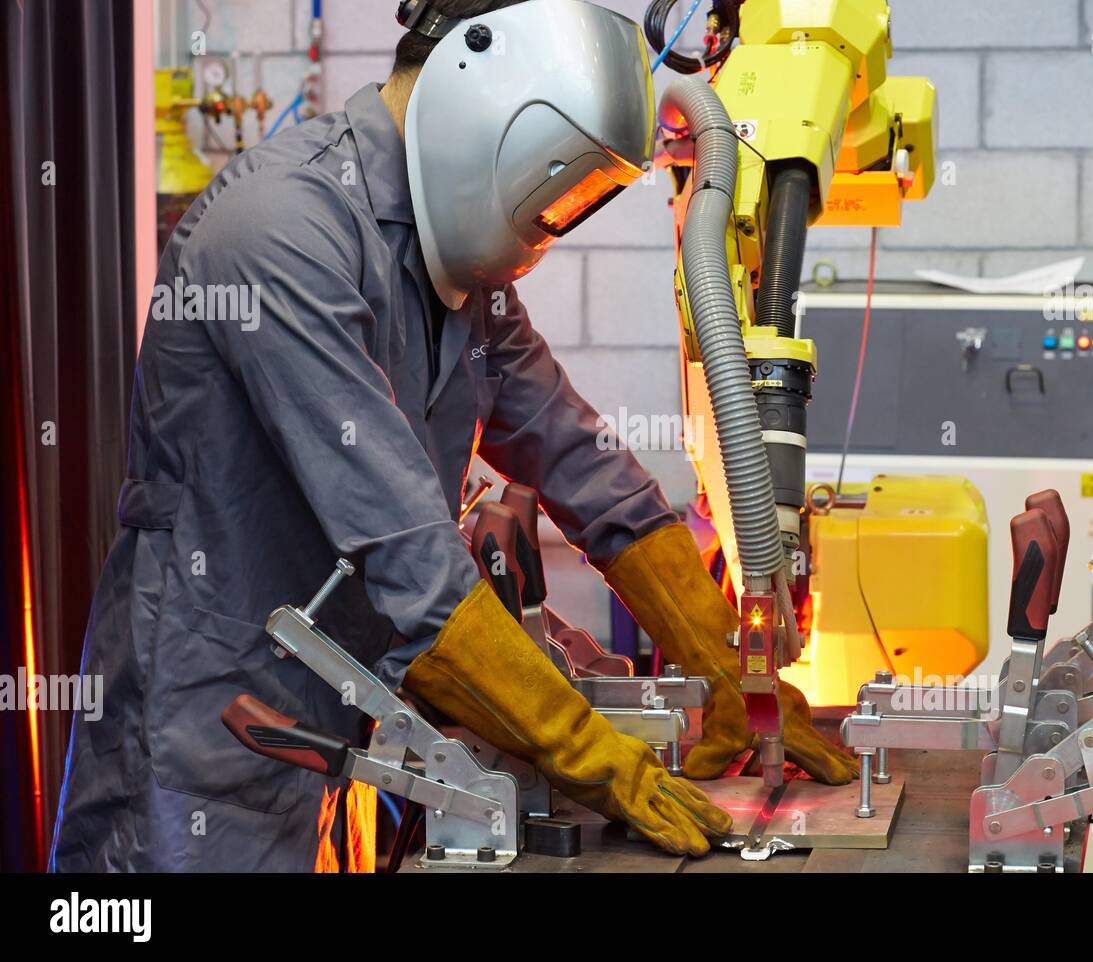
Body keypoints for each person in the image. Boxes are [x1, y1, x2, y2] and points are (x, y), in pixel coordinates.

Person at [50, 0, 853, 873]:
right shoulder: (282, 234)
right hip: (204, 752)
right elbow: (414, 569)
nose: (553, 215)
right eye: (557, 181)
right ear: (482, 97)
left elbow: (575, 455)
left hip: (342, 735)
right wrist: (590, 755)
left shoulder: (456, 273)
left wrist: (726, 660)